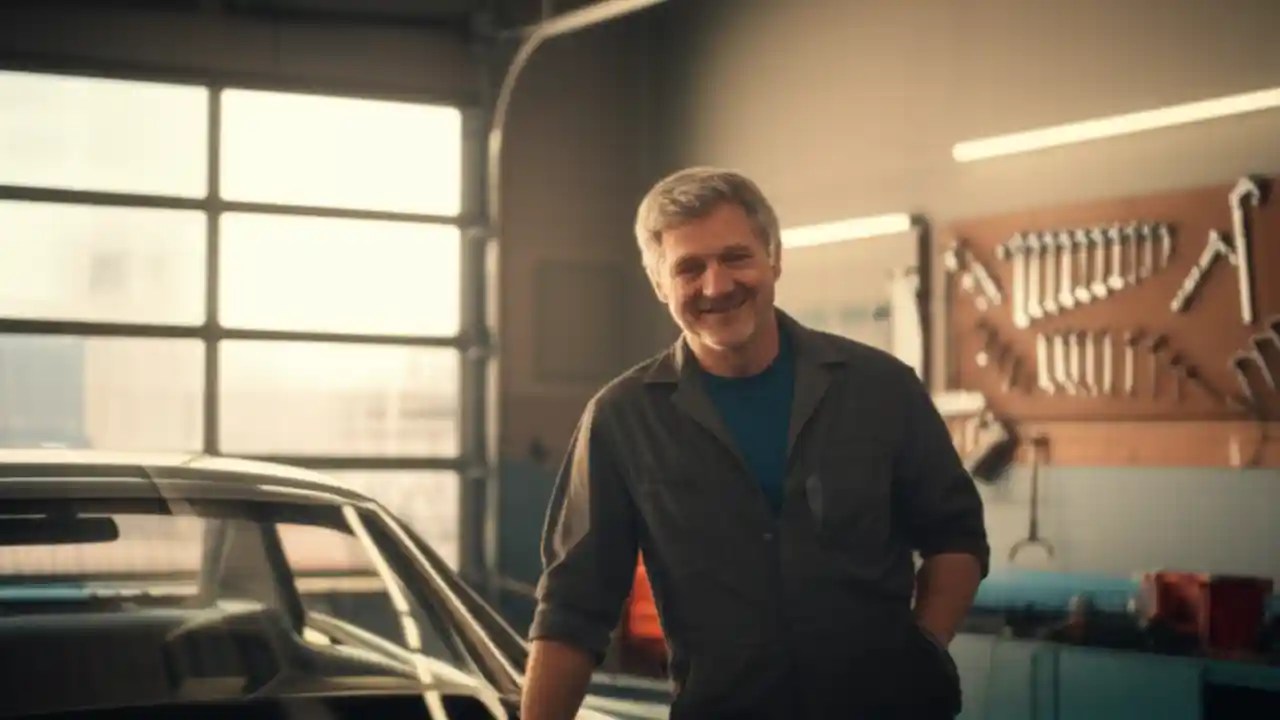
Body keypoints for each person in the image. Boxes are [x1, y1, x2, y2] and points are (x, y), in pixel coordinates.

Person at [520, 167, 989, 719]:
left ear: (774, 258)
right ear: (659, 285)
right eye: (689, 268)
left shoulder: (881, 389)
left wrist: (925, 651)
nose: (716, 286)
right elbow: (573, 608)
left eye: (736, 257)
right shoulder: (622, 420)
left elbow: (955, 534)